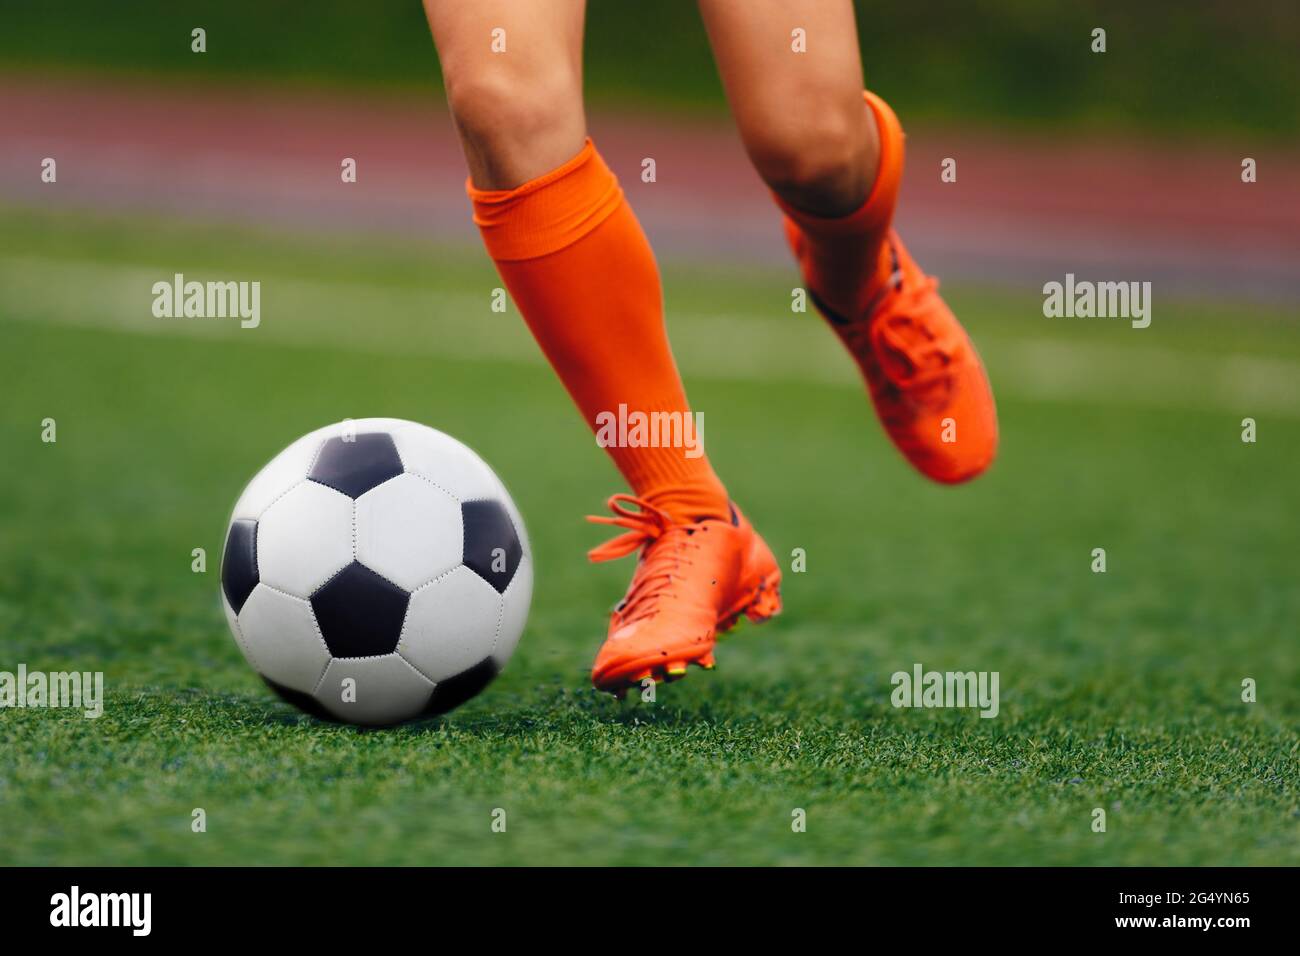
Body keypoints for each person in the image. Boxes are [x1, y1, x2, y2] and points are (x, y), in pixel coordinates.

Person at [422, 0, 998, 693]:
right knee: (500, 100)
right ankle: (691, 512)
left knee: (810, 144)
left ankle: (862, 279)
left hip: (823, 174)